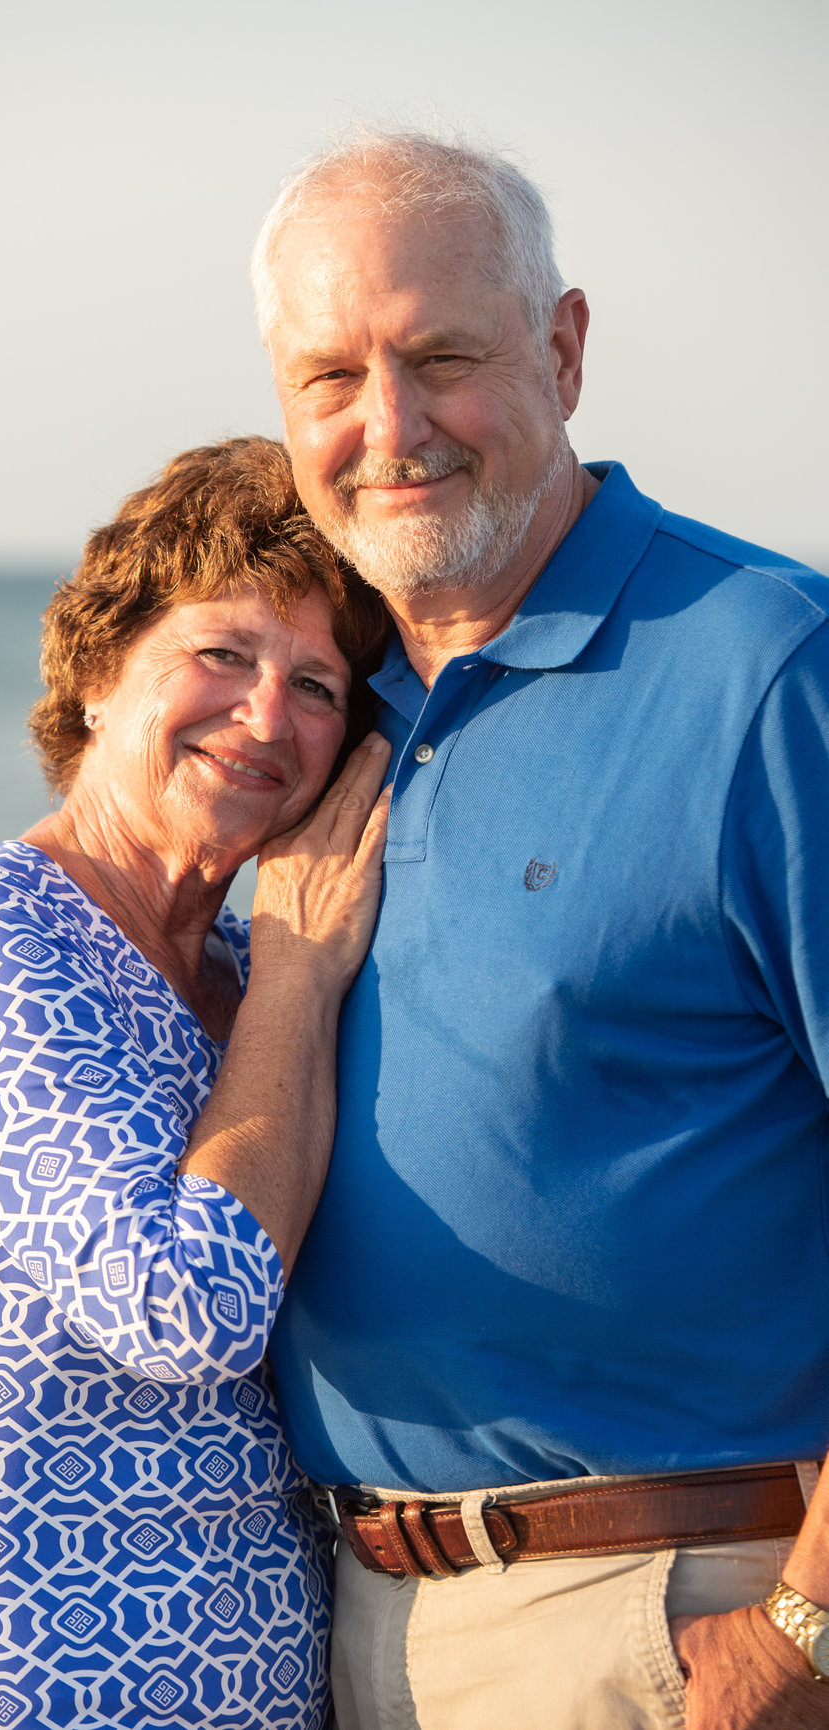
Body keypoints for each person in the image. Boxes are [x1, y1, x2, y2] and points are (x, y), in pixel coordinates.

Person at [251, 130, 829, 1730]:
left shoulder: (769, 668)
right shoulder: (314, 709)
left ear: (564, 348)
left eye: (443, 356)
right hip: (356, 1622)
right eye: (331, 378)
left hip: (676, 1612)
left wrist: (803, 1634)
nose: (389, 427)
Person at [0, 436, 391, 1730]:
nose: (265, 716)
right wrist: (303, 972)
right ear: (97, 671)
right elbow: (185, 1304)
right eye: (224, 654)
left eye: (316, 684)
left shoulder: (247, 972)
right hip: (9, 1684)